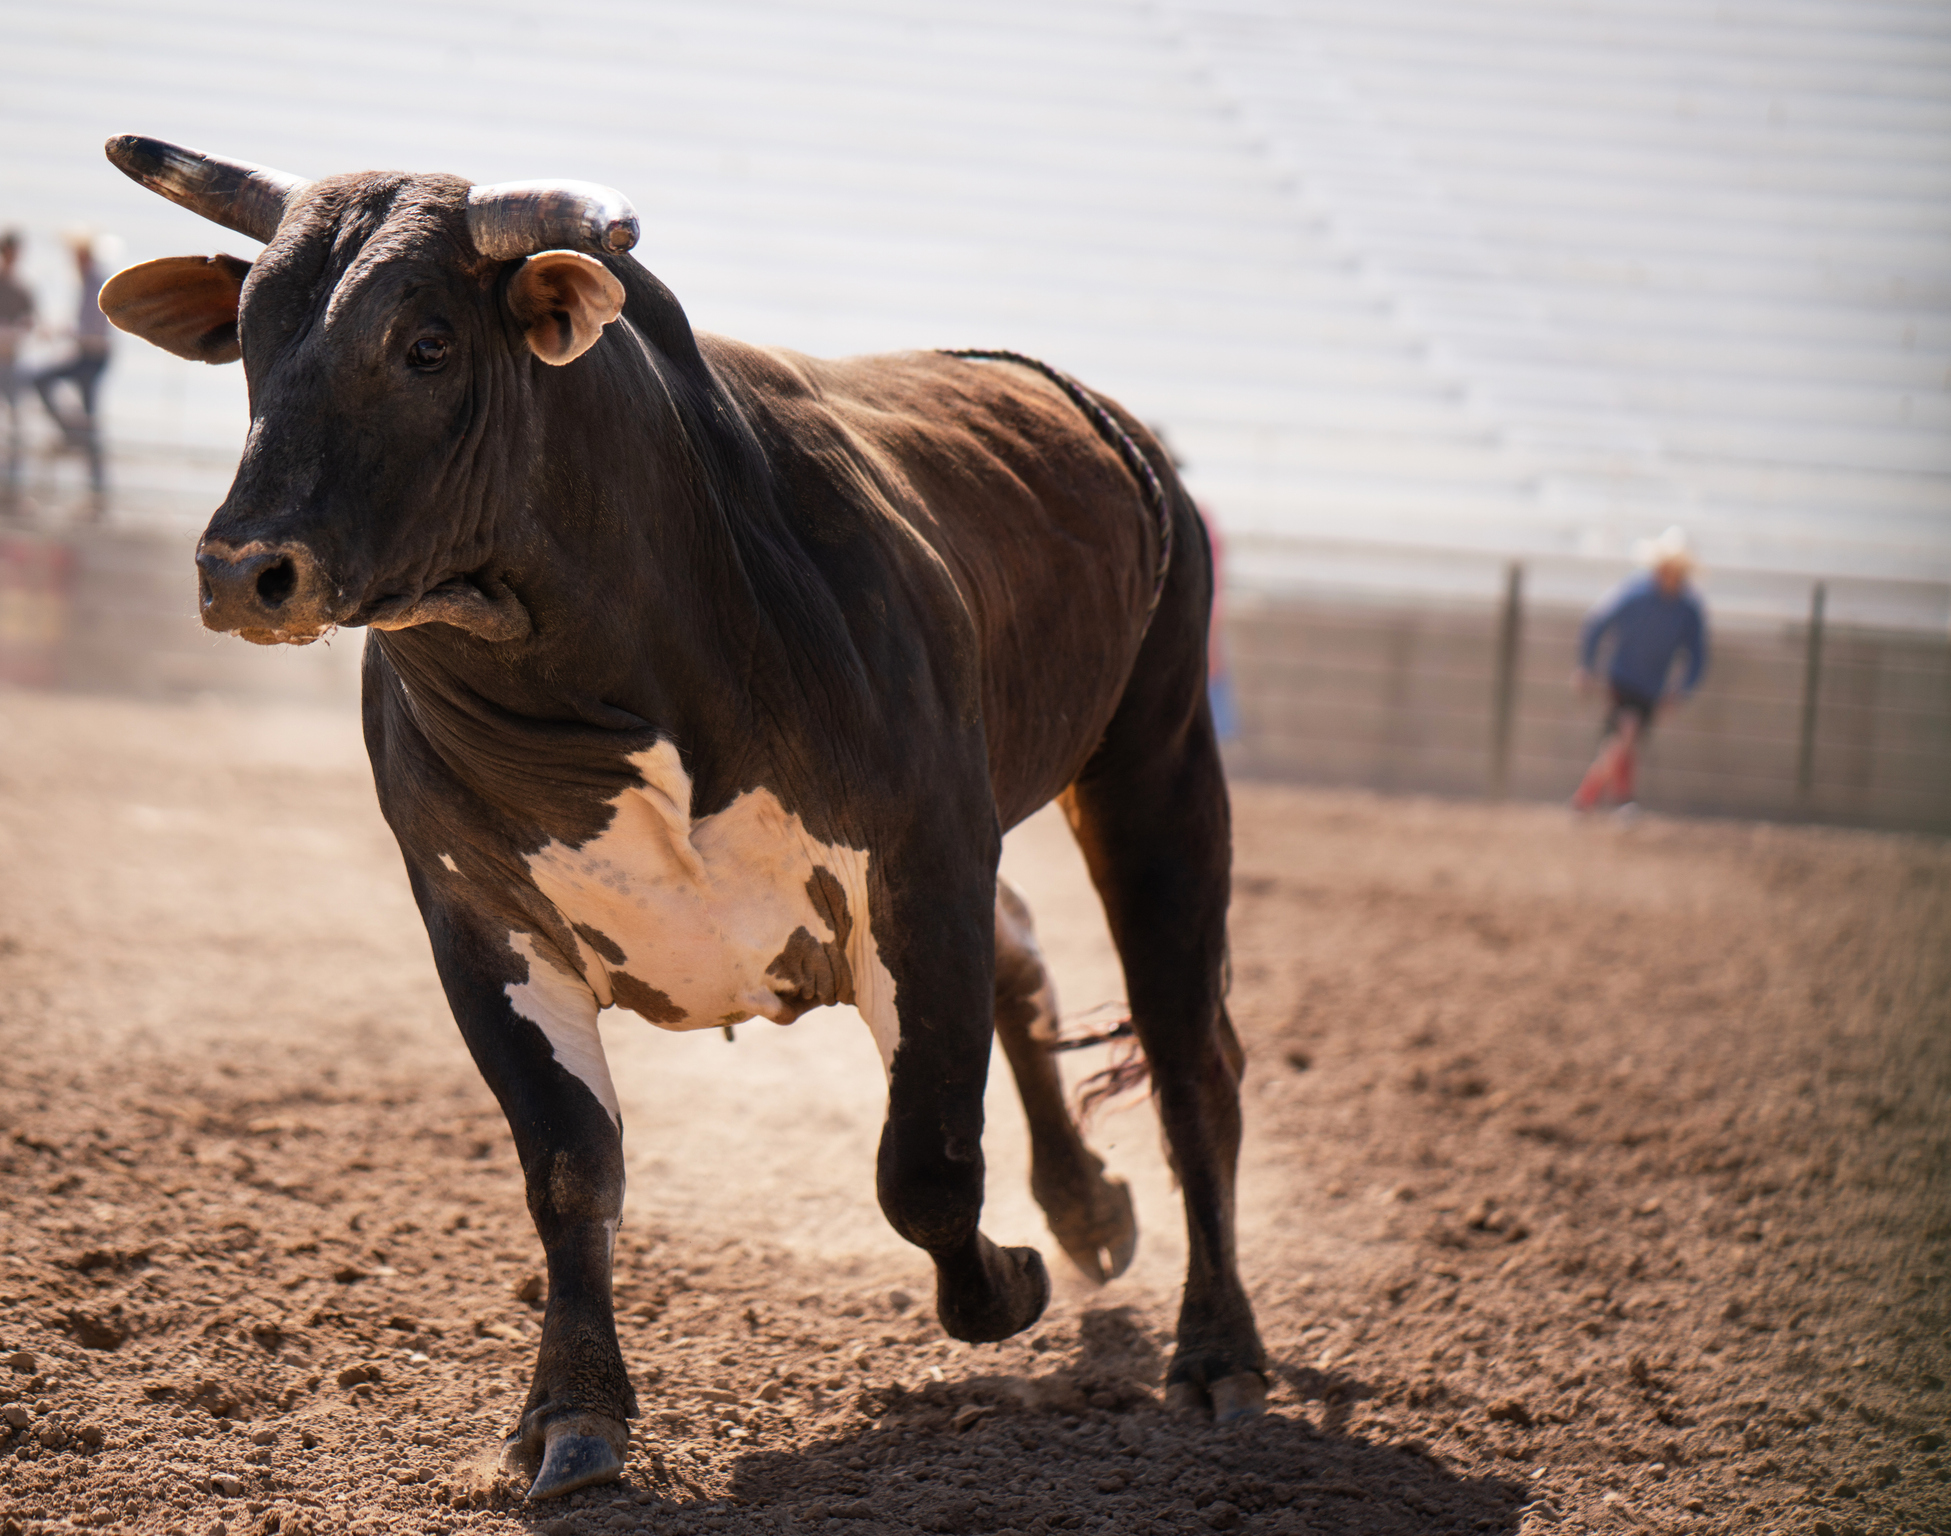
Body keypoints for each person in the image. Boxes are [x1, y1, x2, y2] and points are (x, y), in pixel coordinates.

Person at [1571, 526, 1709, 814]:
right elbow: (1597, 623)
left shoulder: (1688, 608)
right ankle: (1618, 800)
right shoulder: (1636, 594)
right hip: (1622, 679)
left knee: (1623, 743)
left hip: (1652, 687)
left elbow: (1698, 655)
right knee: (1627, 734)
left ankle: (1590, 798)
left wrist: (1682, 690)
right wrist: (1586, 665)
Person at [33, 232, 111, 492]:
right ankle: (72, 432)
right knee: (88, 422)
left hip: (91, 358)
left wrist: (61, 333)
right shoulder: (88, 282)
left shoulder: (96, 282)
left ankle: (74, 437)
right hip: (86, 355)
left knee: (89, 424)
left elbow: (92, 330)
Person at [0, 230, 32, 495]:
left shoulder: (22, 288)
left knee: (15, 426)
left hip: (11, 362)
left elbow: (31, 321)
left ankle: (13, 486)